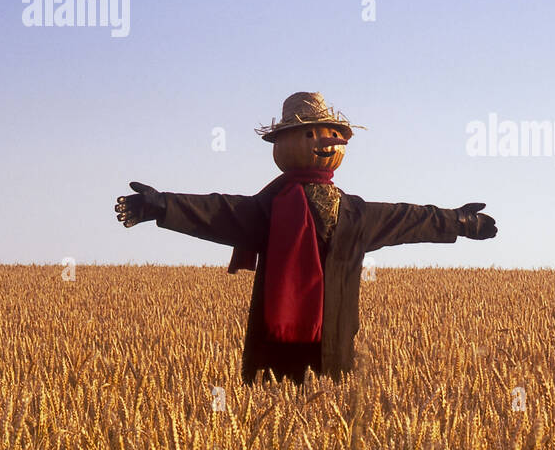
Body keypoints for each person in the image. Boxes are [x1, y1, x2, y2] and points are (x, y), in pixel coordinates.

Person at [114, 91, 496, 383]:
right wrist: (162, 205)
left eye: (331, 134)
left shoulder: (356, 214)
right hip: (277, 349)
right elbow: (219, 211)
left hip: (335, 345)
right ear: (285, 144)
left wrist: (455, 221)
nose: (325, 141)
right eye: (311, 134)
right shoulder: (269, 209)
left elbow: (405, 219)